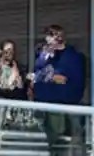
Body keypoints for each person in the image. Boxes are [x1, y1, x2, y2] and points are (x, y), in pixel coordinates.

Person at [32, 25, 86, 155]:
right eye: (47, 37)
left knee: (66, 142)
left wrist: (45, 76)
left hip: (64, 104)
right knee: (54, 143)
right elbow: (37, 74)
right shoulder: (45, 56)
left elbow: (61, 78)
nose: (48, 41)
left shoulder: (72, 57)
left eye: (51, 36)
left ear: (59, 38)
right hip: (47, 103)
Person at [0, 40, 26, 134]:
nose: (9, 53)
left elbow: (21, 86)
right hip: (2, 107)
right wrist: (1, 62)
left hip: (18, 106)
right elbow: (4, 86)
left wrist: (15, 68)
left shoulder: (20, 67)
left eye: (12, 50)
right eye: (7, 50)